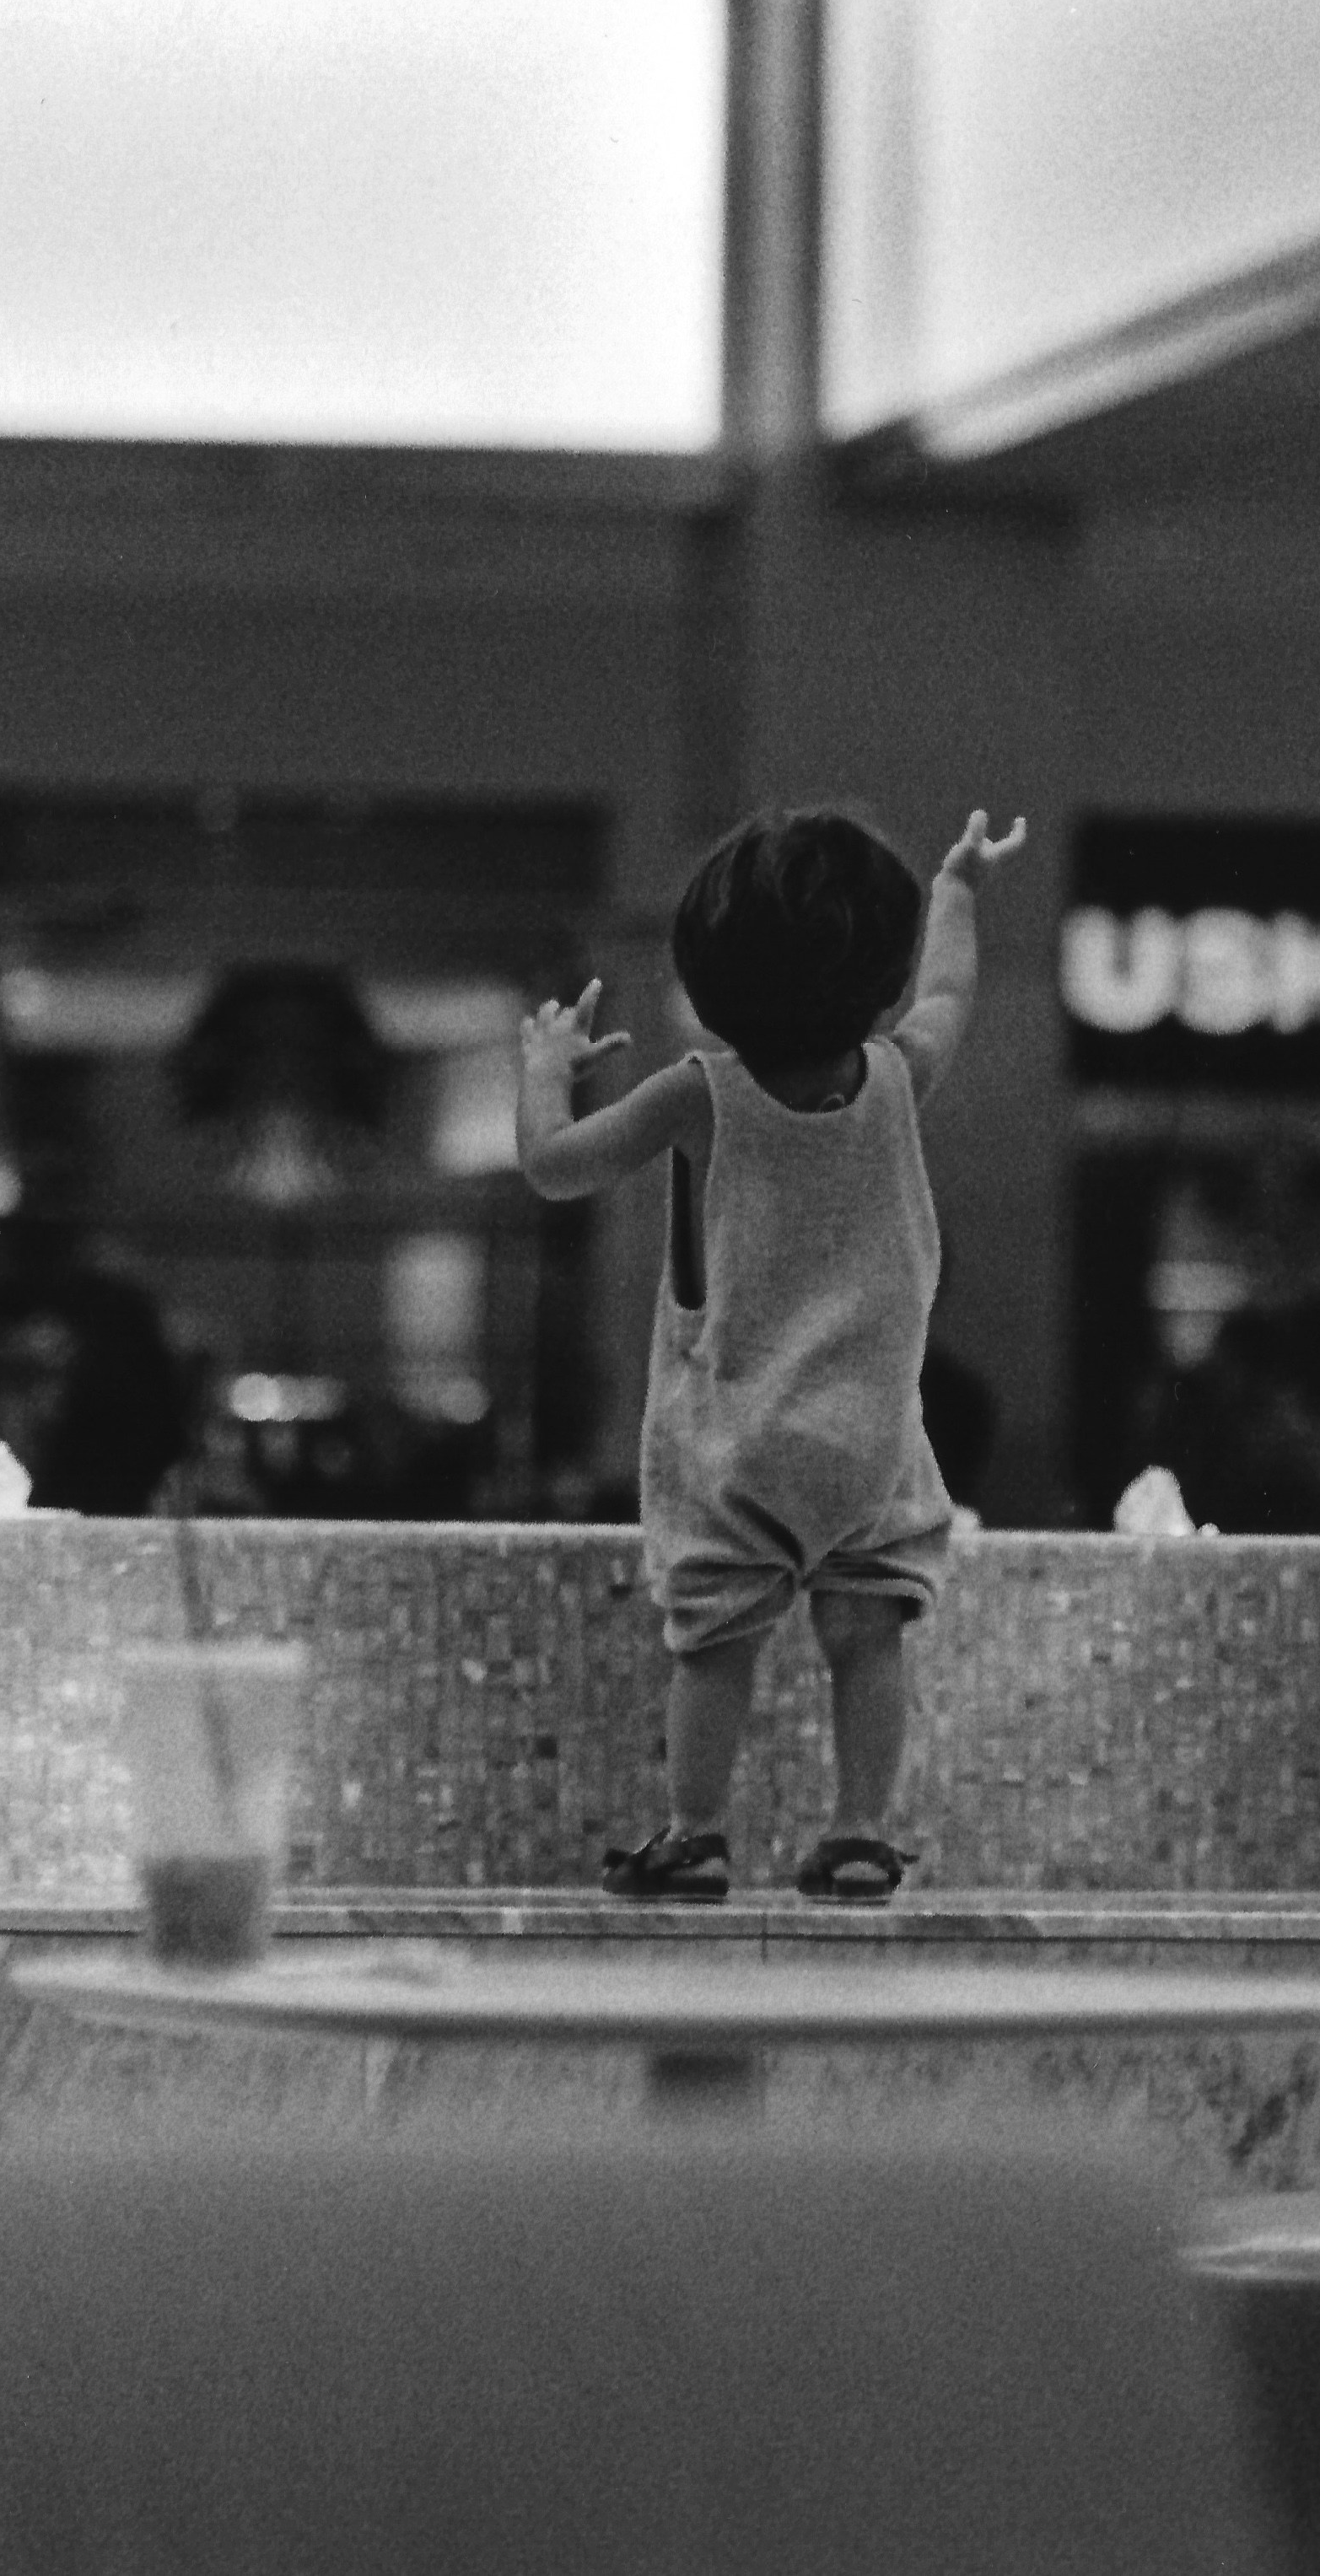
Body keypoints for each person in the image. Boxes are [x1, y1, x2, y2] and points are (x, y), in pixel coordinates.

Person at [516, 805, 1026, 1904]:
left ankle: (696, 1832)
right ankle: (857, 1831)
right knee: (867, 1631)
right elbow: (949, 994)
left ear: (707, 977)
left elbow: (556, 1167)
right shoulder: (896, 1077)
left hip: (737, 1435)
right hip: (875, 1436)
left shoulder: (700, 1094)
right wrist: (958, 893)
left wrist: (546, 1069)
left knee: (716, 1646)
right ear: (875, 979)